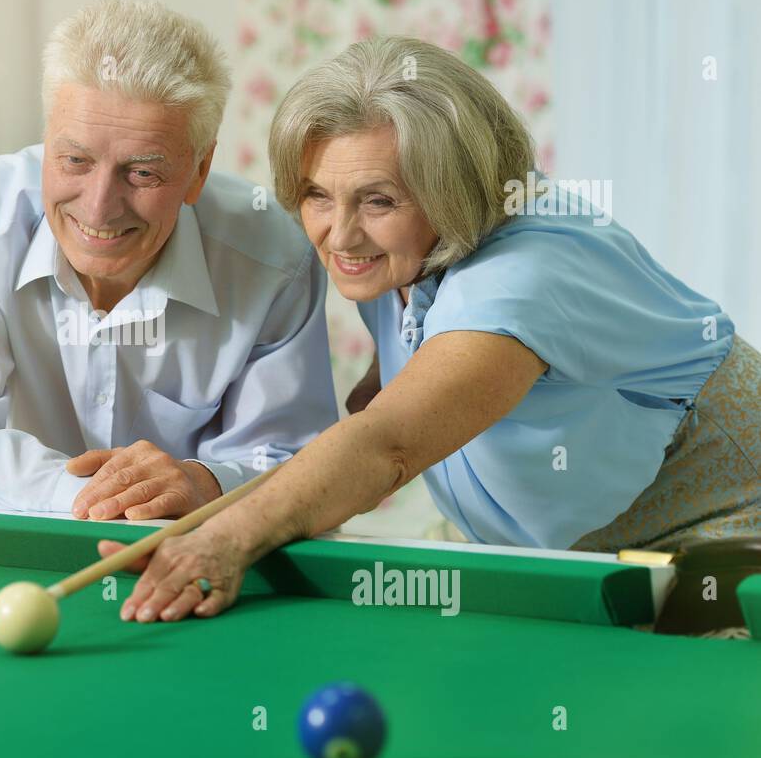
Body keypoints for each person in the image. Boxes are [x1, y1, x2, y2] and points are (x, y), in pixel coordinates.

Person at [107, 35, 761, 623]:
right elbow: (400, 385)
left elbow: (386, 445)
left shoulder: (521, 279)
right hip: (581, 549)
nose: (340, 234)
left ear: (454, 188)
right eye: (316, 195)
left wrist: (223, 536)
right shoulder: (403, 249)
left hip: (728, 531)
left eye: (378, 199)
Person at [0, 0, 336, 519]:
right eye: (75, 160)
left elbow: (295, 462)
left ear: (199, 170)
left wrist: (204, 483)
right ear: (47, 137)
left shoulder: (275, 257)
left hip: (198, 564)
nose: (99, 206)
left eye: (142, 173)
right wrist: (98, 498)